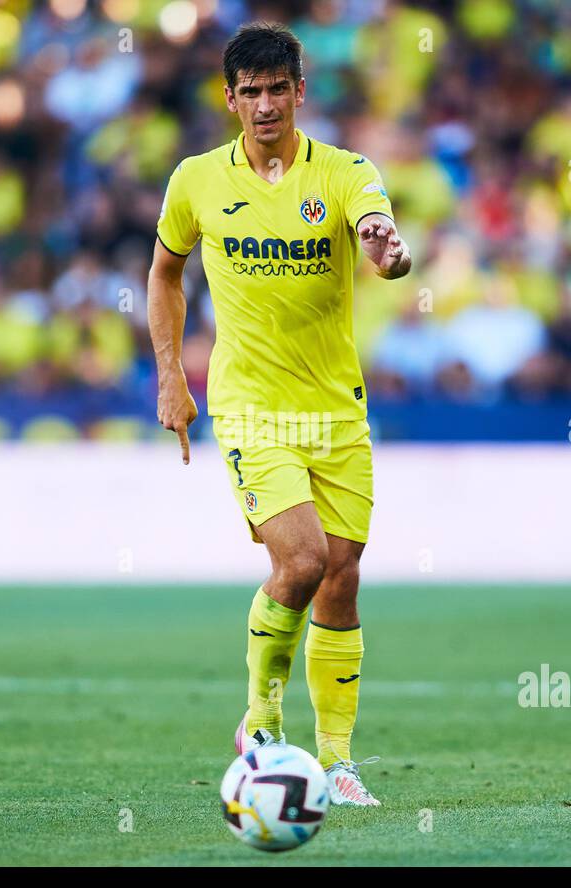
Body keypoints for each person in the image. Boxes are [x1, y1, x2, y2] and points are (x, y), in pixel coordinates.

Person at [147, 22, 410, 807]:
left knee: (342, 578)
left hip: (336, 410)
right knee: (300, 562)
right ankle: (261, 723)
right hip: (251, 408)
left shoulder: (346, 172)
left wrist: (388, 251)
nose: (264, 105)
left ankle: (337, 761)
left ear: (300, 92)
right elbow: (164, 275)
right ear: (229, 98)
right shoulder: (196, 180)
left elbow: (377, 231)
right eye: (250, 92)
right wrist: (171, 376)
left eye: (277, 90)